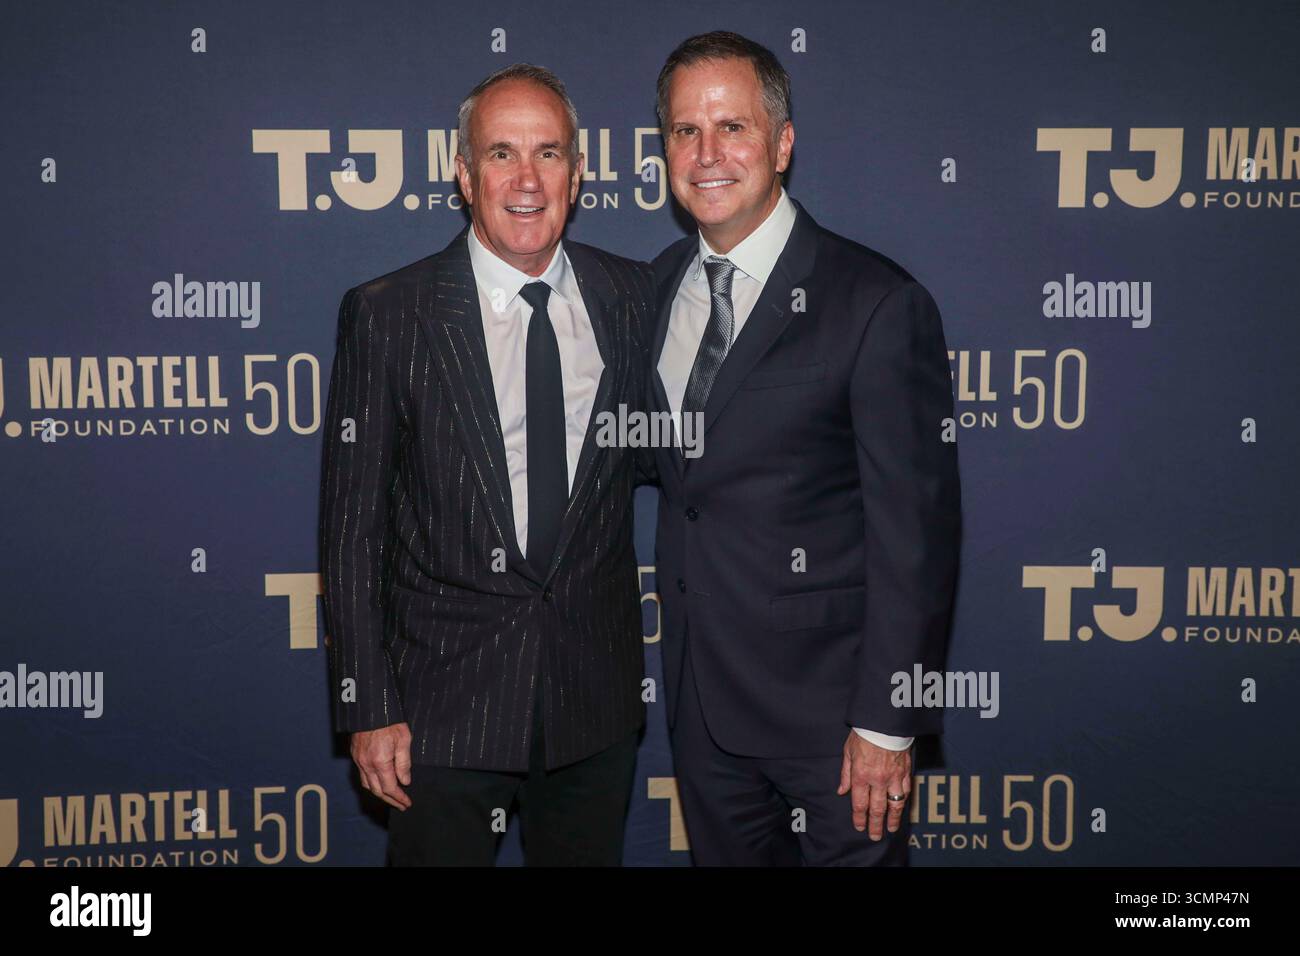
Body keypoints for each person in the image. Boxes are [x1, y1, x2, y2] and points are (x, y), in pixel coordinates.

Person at [319, 63, 654, 865]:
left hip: (592, 708)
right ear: (464, 175)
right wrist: (368, 705)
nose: (528, 178)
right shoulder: (390, 313)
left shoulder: (635, 298)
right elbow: (351, 530)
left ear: (579, 172)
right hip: (439, 712)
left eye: (549, 153)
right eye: (502, 154)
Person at [647, 31, 963, 865]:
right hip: (701, 711)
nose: (707, 154)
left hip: (836, 726)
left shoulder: (875, 303)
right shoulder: (655, 291)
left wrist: (887, 722)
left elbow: (917, 536)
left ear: (782, 144)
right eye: (685, 131)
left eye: (734, 128)